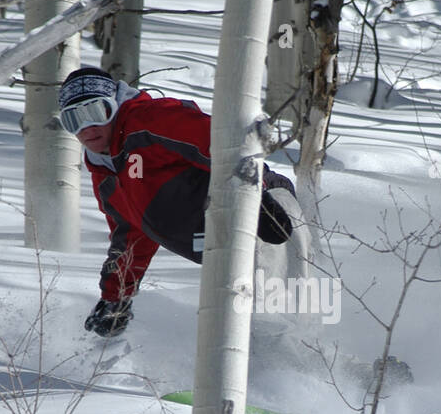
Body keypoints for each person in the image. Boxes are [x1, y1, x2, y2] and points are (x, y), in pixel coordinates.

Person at [58, 67, 297, 337]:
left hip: (265, 207)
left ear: (113, 104)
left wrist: (255, 193)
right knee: (246, 330)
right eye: (73, 120)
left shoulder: (149, 121)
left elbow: (221, 143)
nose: (86, 129)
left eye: (94, 112)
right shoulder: (106, 173)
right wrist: (116, 298)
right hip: (228, 242)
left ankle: (310, 369)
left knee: (276, 319)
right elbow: (131, 235)